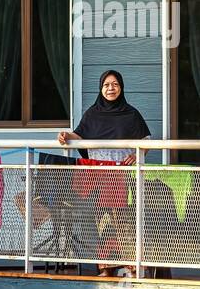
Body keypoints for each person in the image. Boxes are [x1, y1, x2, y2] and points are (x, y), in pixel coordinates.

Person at [58, 71, 151, 274]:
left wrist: (137, 155)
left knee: (125, 221)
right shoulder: (92, 114)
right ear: (101, 88)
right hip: (98, 180)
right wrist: (66, 135)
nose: (111, 88)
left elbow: (146, 141)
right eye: (107, 84)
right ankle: (106, 267)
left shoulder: (131, 114)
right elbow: (79, 135)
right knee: (101, 223)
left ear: (121, 88)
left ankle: (131, 266)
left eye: (115, 84)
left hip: (124, 179)